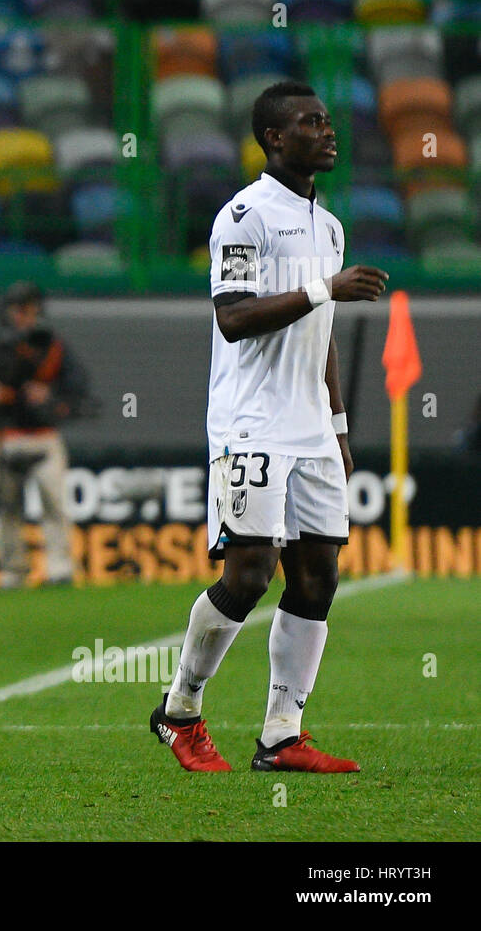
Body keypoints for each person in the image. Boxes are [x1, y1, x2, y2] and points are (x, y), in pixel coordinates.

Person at [150, 82, 388, 773]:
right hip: (251, 423)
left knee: (317, 579)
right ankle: (180, 709)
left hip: (311, 429)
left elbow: (324, 336)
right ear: (274, 138)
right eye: (311, 122)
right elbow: (234, 316)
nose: (328, 130)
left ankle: (282, 734)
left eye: (328, 120)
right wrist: (324, 289)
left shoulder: (330, 224)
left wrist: (338, 425)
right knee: (250, 572)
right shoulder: (243, 217)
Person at [0, 282, 88, 587]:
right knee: (4, 506)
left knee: (55, 504)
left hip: (42, 435)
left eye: (28, 309)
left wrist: (51, 394)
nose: (22, 315)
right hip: (3, 434)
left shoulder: (51, 345)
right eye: (18, 309)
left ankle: (60, 569)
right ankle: (12, 570)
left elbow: (78, 387)